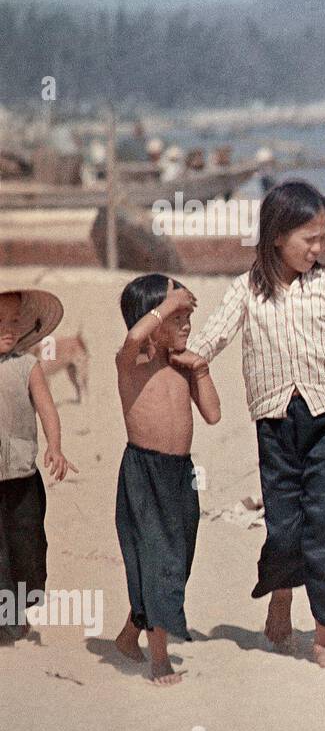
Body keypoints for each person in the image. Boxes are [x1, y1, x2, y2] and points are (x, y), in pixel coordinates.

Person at [185, 180, 325, 667]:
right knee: (283, 521)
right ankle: (281, 593)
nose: (318, 248)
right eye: (308, 238)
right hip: (273, 418)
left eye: (323, 237)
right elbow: (214, 336)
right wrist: (186, 357)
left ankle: (324, 635)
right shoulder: (246, 290)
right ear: (276, 236)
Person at [112, 275, 221, 683]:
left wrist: (201, 368)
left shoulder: (183, 365)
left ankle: (129, 635)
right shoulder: (131, 362)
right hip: (143, 472)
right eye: (178, 317)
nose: (187, 325)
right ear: (151, 319)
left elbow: (212, 414)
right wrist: (167, 303)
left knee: (177, 561)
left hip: (181, 475)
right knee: (159, 561)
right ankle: (160, 657)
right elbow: (133, 338)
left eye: (189, 316)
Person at [0, 286, 76, 643]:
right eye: (0, 321)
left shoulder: (27, 366)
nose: (9, 328)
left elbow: (47, 408)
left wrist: (55, 448)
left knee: (26, 547)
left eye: (16, 321)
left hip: (22, 478)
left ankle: (18, 612)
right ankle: (6, 623)